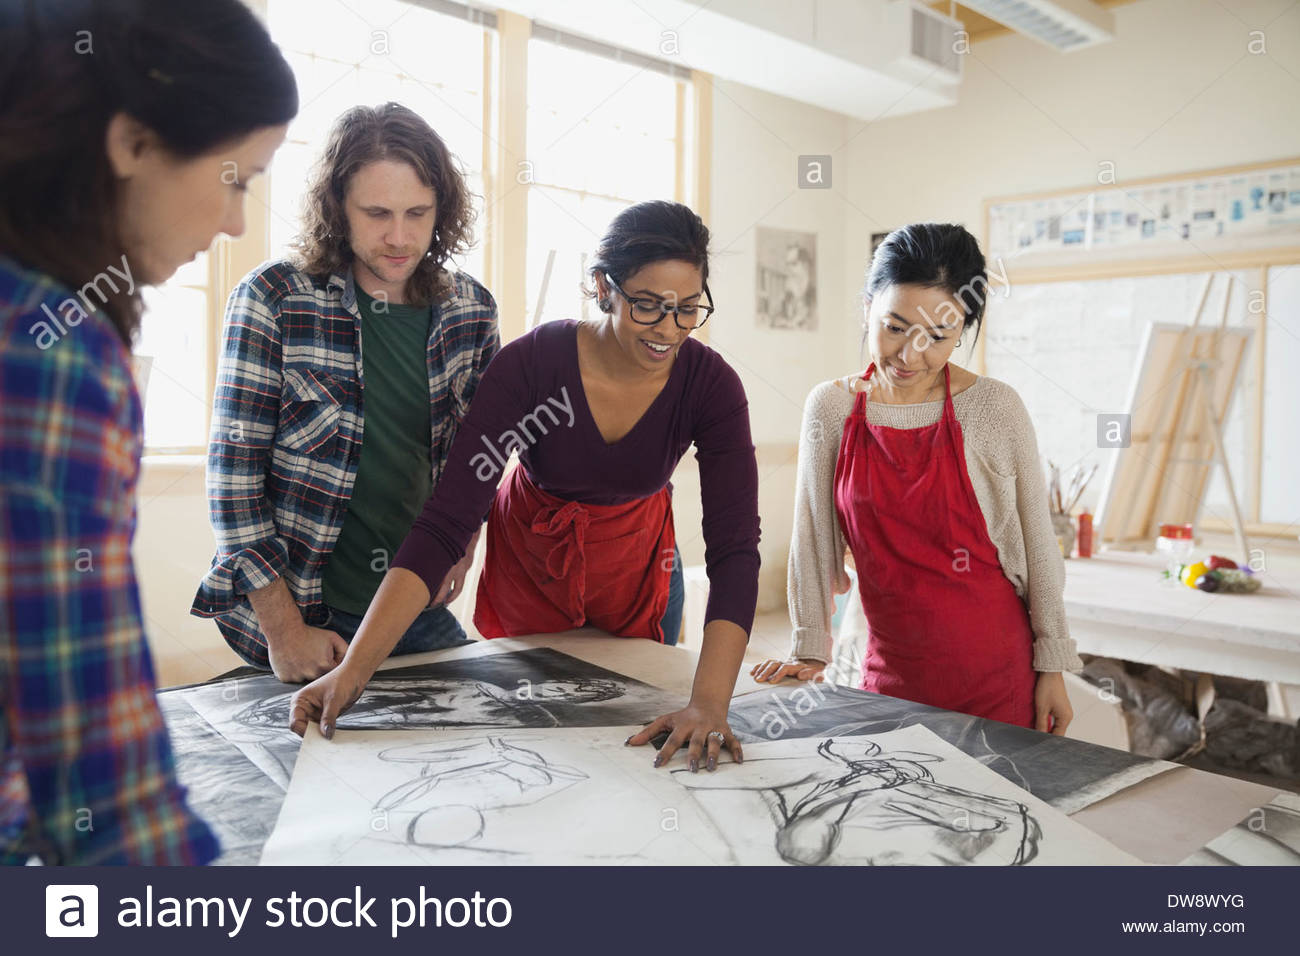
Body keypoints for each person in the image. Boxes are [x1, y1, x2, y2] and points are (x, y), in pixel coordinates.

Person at [289, 200, 761, 771]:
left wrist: (709, 703)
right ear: (602, 287)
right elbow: (446, 523)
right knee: (536, 746)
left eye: (688, 309)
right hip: (533, 561)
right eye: (647, 306)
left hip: (639, 564)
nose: (669, 330)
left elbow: (734, 548)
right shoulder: (531, 365)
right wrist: (354, 670)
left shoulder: (711, 386)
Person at [0, 0, 296, 863]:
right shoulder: (46, 353)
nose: (237, 221)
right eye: (235, 177)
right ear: (132, 143)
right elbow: (102, 783)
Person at [190, 103, 500, 683]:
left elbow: (477, 457)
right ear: (338, 209)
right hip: (303, 608)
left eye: (418, 213)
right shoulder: (275, 298)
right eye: (377, 213)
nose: (400, 237)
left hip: (415, 603)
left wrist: (465, 542)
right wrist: (285, 633)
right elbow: (233, 482)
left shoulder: (473, 311)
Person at [752, 223, 1080, 734]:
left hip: (997, 674)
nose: (910, 354)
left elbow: (1038, 548)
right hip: (887, 671)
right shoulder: (831, 407)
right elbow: (812, 534)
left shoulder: (995, 408)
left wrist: (1052, 665)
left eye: (938, 337)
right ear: (867, 308)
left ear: (965, 327)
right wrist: (808, 646)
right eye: (895, 327)